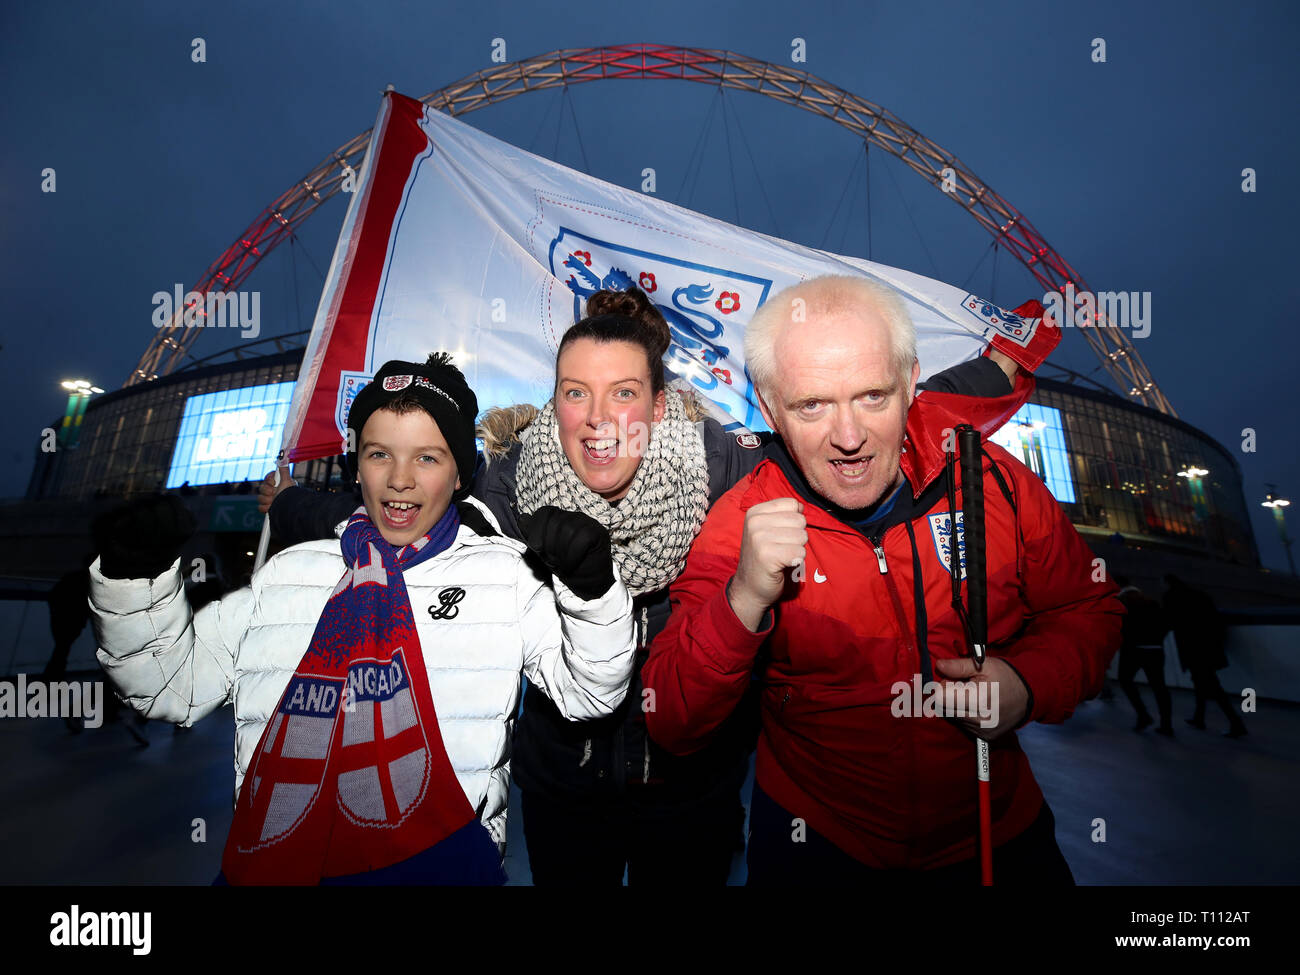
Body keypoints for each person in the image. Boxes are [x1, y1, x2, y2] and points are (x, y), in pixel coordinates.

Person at [259, 286, 1042, 886]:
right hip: (564, 787)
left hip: (693, 792)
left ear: (657, 403)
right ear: (556, 401)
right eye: (575, 393)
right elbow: (407, 512)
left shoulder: (724, 466)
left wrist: (1004, 364)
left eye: (624, 394)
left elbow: (870, 416)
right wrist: (292, 506)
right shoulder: (510, 486)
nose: (600, 420)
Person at [642, 275, 1124, 885]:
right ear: (769, 409)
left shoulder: (990, 479)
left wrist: (1028, 684)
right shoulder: (741, 519)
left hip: (997, 833)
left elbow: (1089, 608)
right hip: (815, 843)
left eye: (872, 396)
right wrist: (744, 600)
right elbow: (672, 720)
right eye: (811, 405)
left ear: (911, 382)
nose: (848, 438)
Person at [88, 353, 636, 884]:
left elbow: (590, 694)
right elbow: (167, 686)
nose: (400, 479)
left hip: (444, 868)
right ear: (357, 465)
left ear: (460, 474)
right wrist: (133, 579)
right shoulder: (290, 573)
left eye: (428, 457)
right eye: (379, 454)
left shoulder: (504, 574)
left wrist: (592, 593)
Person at [1163, 574, 1246, 738]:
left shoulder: (1171, 598)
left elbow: (1169, 621)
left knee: (1210, 685)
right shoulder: (1200, 595)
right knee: (1203, 682)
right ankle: (1199, 717)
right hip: (1208, 647)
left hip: (1192, 649)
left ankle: (1236, 722)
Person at [1114, 574, 1173, 735]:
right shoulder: (1150, 601)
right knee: (1159, 686)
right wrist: (1157, 639)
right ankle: (1166, 724)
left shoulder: (1120, 602)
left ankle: (1143, 715)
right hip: (1155, 648)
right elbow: (1166, 622)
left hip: (1133, 650)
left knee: (1125, 680)